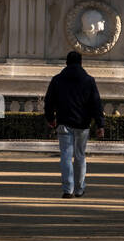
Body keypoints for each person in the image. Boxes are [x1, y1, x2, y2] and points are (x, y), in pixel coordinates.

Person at [44, 51, 105, 197]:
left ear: (66, 62)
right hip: (82, 124)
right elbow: (96, 104)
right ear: (81, 63)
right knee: (80, 156)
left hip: (64, 122)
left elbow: (49, 102)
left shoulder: (57, 80)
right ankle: (79, 188)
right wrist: (100, 124)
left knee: (65, 155)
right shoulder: (89, 80)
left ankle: (68, 189)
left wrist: (50, 118)